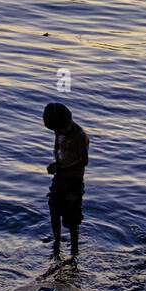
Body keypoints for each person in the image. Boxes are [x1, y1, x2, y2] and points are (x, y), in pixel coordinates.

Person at [43, 102, 88, 255]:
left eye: (58, 129)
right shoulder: (59, 131)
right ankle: (56, 241)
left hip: (74, 182)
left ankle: (74, 249)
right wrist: (56, 163)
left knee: (72, 218)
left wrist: (62, 167)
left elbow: (83, 161)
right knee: (54, 209)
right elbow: (57, 147)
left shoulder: (80, 135)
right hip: (59, 179)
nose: (57, 133)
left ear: (67, 122)